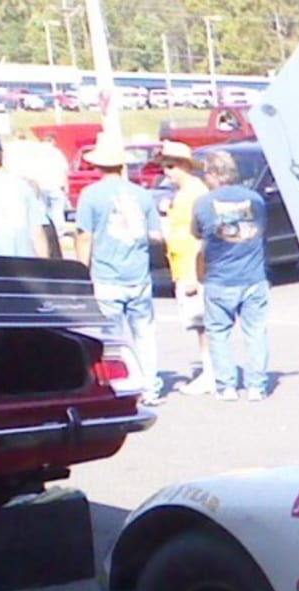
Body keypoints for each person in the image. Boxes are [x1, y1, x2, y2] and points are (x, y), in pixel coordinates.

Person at [75, 136, 165, 406]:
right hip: (137, 273)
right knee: (144, 334)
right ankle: (150, 386)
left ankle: (118, 384)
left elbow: (84, 236)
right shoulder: (141, 194)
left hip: (107, 274)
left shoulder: (90, 195)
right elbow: (155, 235)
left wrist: (81, 271)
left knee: (111, 335)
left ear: (99, 167)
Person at [192, 149, 271, 402]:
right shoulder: (255, 199)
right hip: (253, 275)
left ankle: (226, 386)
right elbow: (261, 229)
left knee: (218, 332)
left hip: (220, 277)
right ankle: (256, 385)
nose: (205, 178)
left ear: (215, 173)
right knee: (255, 332)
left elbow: (197, 233)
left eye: (207, 173)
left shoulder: (203, 203)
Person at [157, 142, 213, 395]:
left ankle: (210, 372)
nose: (165, 172)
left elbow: (201, 235)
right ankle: (209, 370)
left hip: (193, 267)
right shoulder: (182, 193)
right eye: (164, 167)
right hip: (182, 265)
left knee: (202, 322)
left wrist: (194, 274)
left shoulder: (194, 192)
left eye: (170, 166)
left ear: (183, 166)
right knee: (197, 323)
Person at [0, 134, 52, 258]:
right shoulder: (22, 186)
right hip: (24, 266)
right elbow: (37, 233)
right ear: (1, 155)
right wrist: (44, 268)